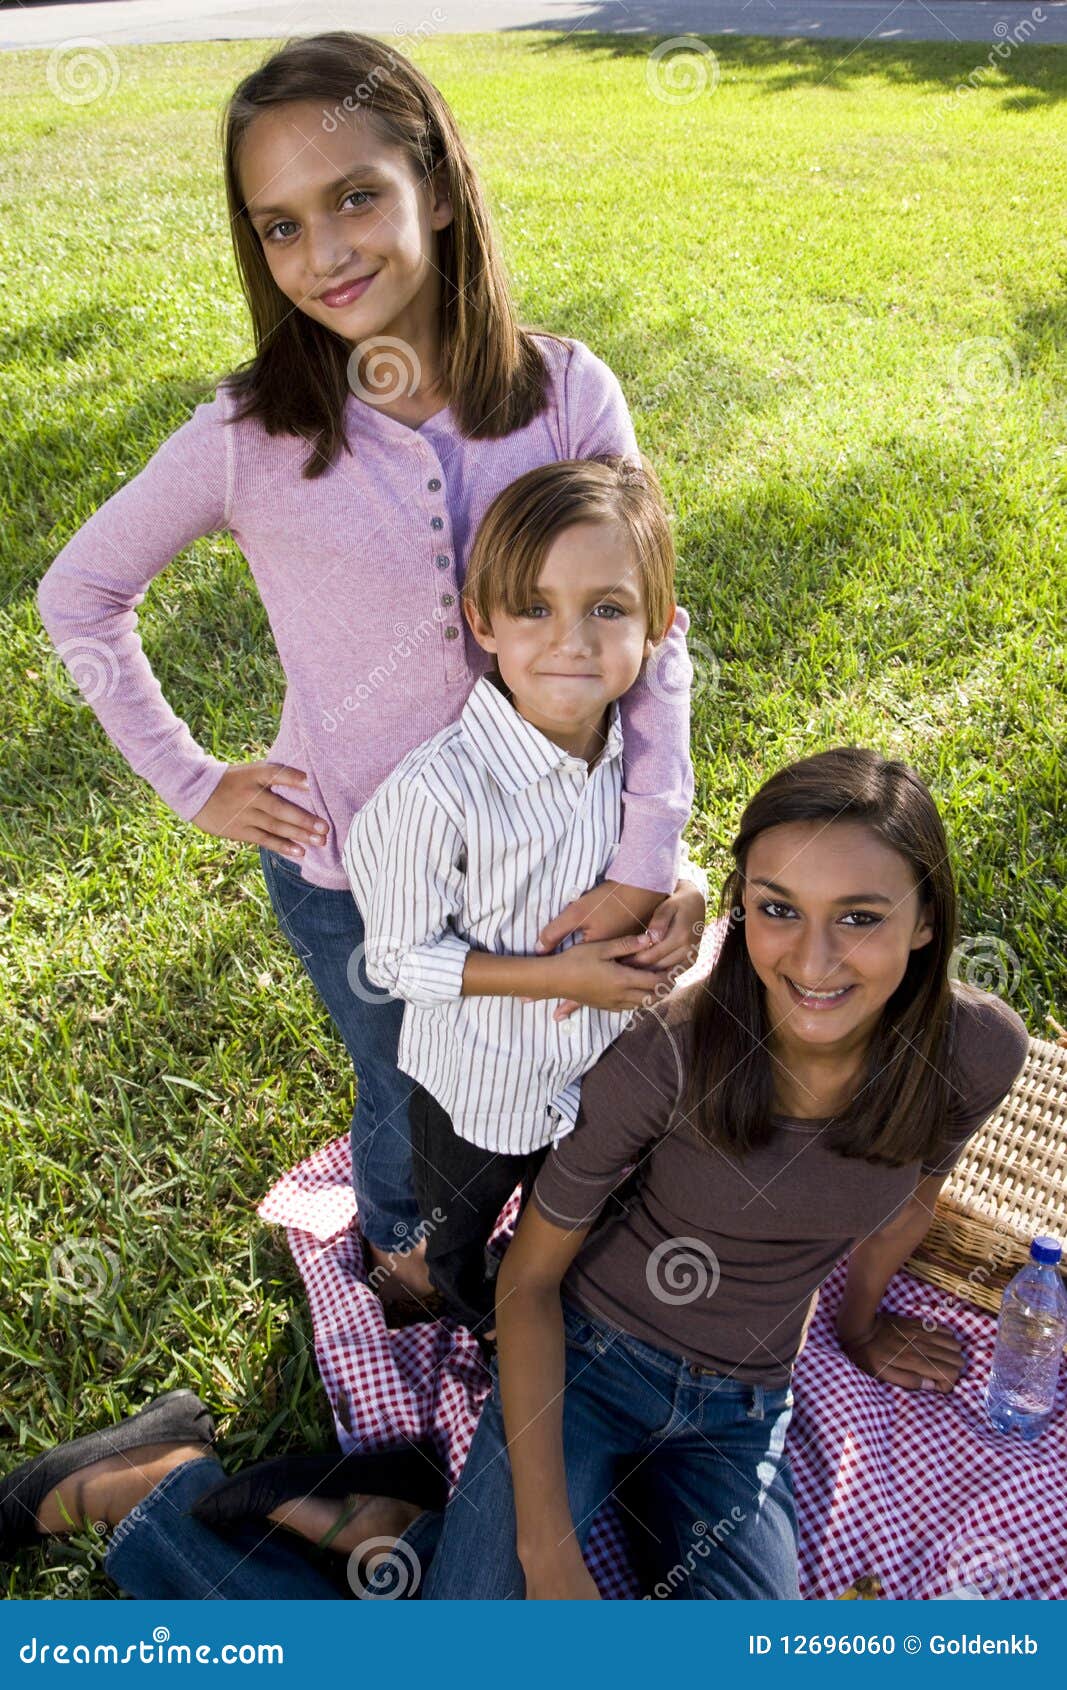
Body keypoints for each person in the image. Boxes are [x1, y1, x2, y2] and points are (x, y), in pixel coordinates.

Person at [2, 749, 1029, 1599]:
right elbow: (530, 1280)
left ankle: (394, 1532)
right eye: (775, 908)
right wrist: (544, 1552)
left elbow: (908, 1200)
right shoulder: (664, 1053)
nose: (811, 958)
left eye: (859, 915)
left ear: (926, 918)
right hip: (585, 1365)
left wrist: (855, 1327)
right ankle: (158, 1492)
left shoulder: (974, 1051)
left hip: (743, 1407)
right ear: (743, 907)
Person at [34, 31, 703, 1320]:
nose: (324, 252)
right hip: (352, 871)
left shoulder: (564, 393)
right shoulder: (248, 436)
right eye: (279, 226)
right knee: (409, 1085)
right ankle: (406, 1258)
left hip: (562, 849)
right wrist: (191, 780)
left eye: (354, 197)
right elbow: (81, 593)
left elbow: (654, 630)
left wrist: (646, 850)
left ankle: (563, 1247)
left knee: (572, 1052)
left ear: (436, 187)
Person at [344, 456, 703, 1342]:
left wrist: (685, 890)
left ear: (655, 629)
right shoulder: (437, 794)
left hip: (599, 1074)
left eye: (607, 609)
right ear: (482, 622)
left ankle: (563, 1304)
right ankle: (474, 1313)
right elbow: (394, 960)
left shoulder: (633, 759)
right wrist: (560, 979)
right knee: (460, 1227)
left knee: (577, 1208)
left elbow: (656, 849)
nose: (571, 641)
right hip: (478, 1084)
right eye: (534, 608)